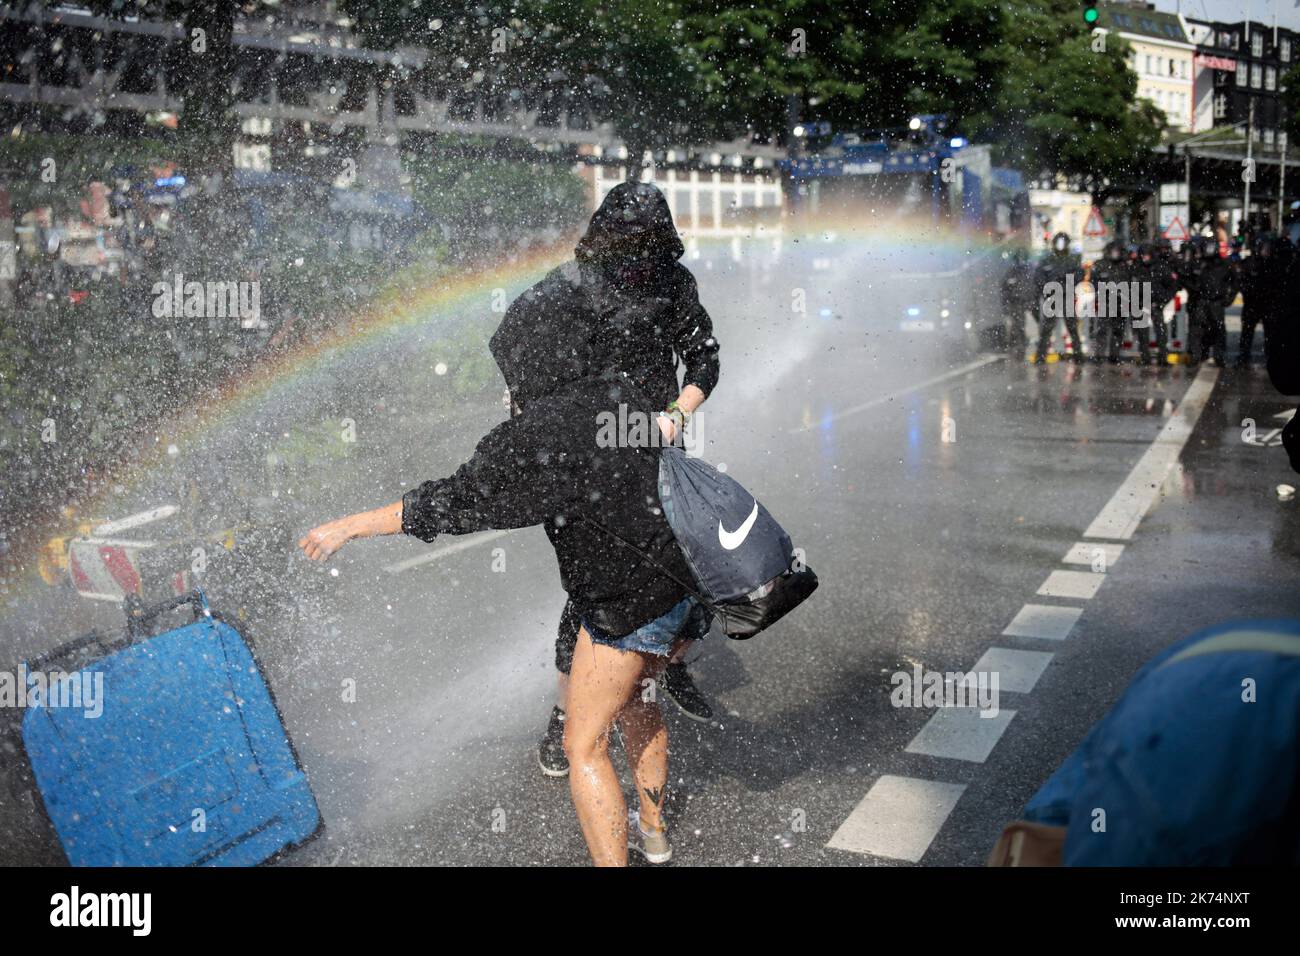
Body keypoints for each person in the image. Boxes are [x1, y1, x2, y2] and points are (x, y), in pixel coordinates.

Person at [300, 182, 721, 866]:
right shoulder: (600, 364)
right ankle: (655, 830)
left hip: (625, 551)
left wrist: (351, 525)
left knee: (590, 731)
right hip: (659, 532)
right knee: (640, 693)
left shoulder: (544, 437)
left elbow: (455, 501)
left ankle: (588, 729)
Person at [1184, 236, 1237, 367]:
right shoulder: (1197, 263)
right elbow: (1185, 278)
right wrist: (1193, 290)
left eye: (1210, 247)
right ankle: (1197, 356)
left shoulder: (1224, 264)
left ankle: (1219, 357)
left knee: (1218, 330)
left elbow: (1235, 281)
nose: (1208, 250)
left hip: (1216, 302)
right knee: (1197, 330)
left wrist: (1229, 297)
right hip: (1200, 301)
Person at [1236, 234, 1287, 369]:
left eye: (1268, 247)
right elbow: (1240, 281)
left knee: (1270, 334)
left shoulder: (1274, 264)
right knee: (1247, 332)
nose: (1266, 250)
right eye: (1264, 247)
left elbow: (1280, 284)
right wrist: (1249, 291)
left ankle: (1271, 359)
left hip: (1268, 304)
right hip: (1252, 303)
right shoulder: (1249, 263)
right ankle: (1243, 357)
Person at [1033, 232, 1084, 364]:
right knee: (1047, 329)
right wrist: (1048, 288)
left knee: (1072, 328)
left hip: (1067, 296)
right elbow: (1039, 276)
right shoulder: (1047, 259)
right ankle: (1041, 355)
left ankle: (1078, 355)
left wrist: (1069, 285)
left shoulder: (1072, 259)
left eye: (1063, 242)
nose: (1061, 245)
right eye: (1058, 242)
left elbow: (1079, 274)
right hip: (1052, 297)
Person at [1089, 240, 1129, 364]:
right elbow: (1093, 282)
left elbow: (1131, 282)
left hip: (1120, 302)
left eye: (1117, 251)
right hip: (1105, 302)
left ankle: (1114, 356)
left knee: (1118, 331)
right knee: (1102, 331)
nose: (1115, 254)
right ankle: (1099, 356)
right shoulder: (1101, 265)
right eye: (1113, 251)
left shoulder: (1125, 265)